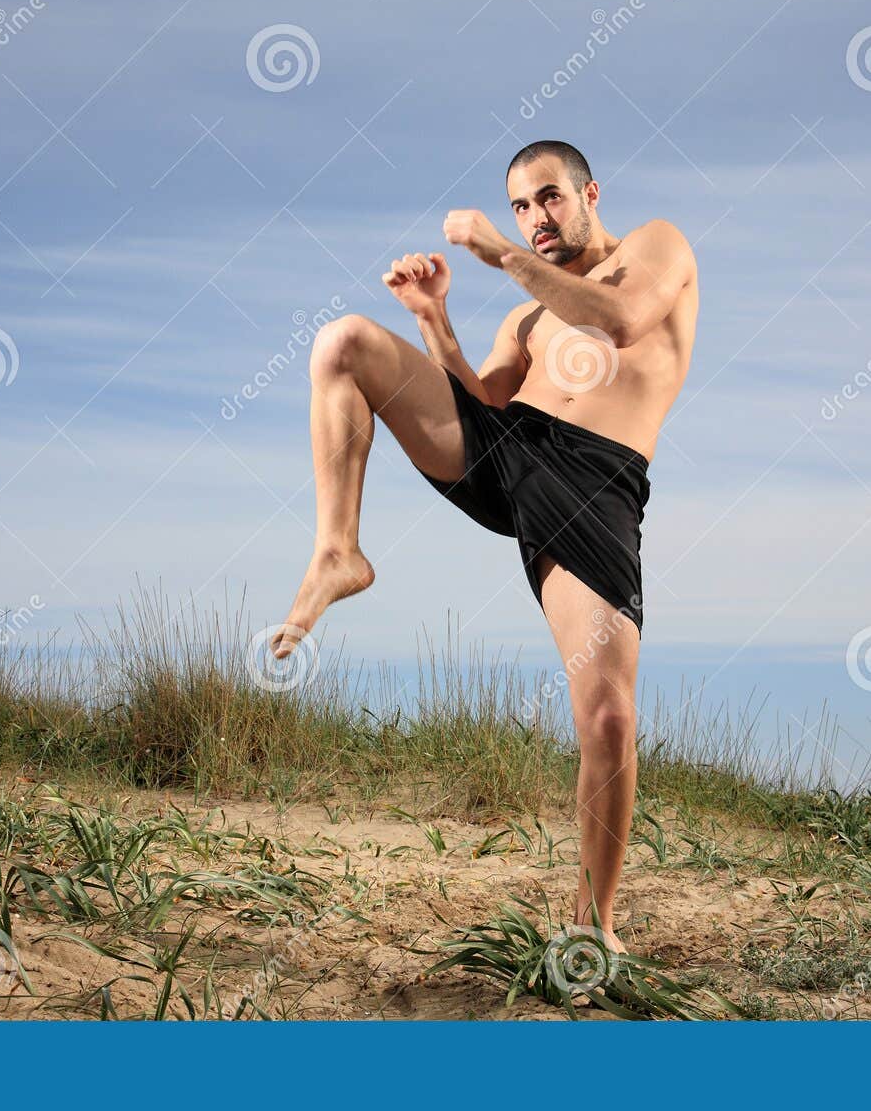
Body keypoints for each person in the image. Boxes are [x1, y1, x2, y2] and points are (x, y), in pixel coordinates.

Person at [272, 139, 699, 952]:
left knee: (608, 716)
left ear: (590, 194)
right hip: (507, 455)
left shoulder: (656, 246)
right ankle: (338, 550)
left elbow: (618, 320)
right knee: (341, 343)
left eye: (549, 197)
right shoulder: (524, 316)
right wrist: (433, 318)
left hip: (593, 484)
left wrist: (502, 254)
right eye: (520, 208)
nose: (536, 218)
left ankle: (593, 927)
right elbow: (483, 402)